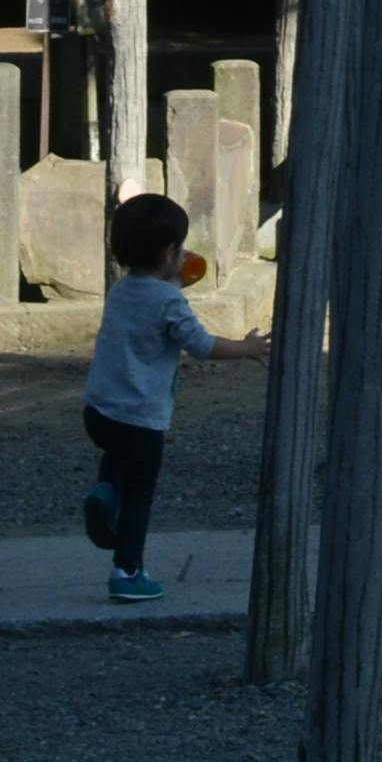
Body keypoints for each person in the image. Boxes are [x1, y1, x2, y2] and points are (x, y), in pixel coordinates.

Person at [80, 189, 225, 605]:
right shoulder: (169, 300)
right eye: (179, 248)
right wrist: (248, 349)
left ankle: (104, 490)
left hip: (100, 412)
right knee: (139, 496)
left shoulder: (121, 291)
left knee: (117, 454)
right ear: (167, 253)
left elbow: (153, 299)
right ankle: (128, 570)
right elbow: (200, 344)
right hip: (142, 419)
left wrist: (173, 279)